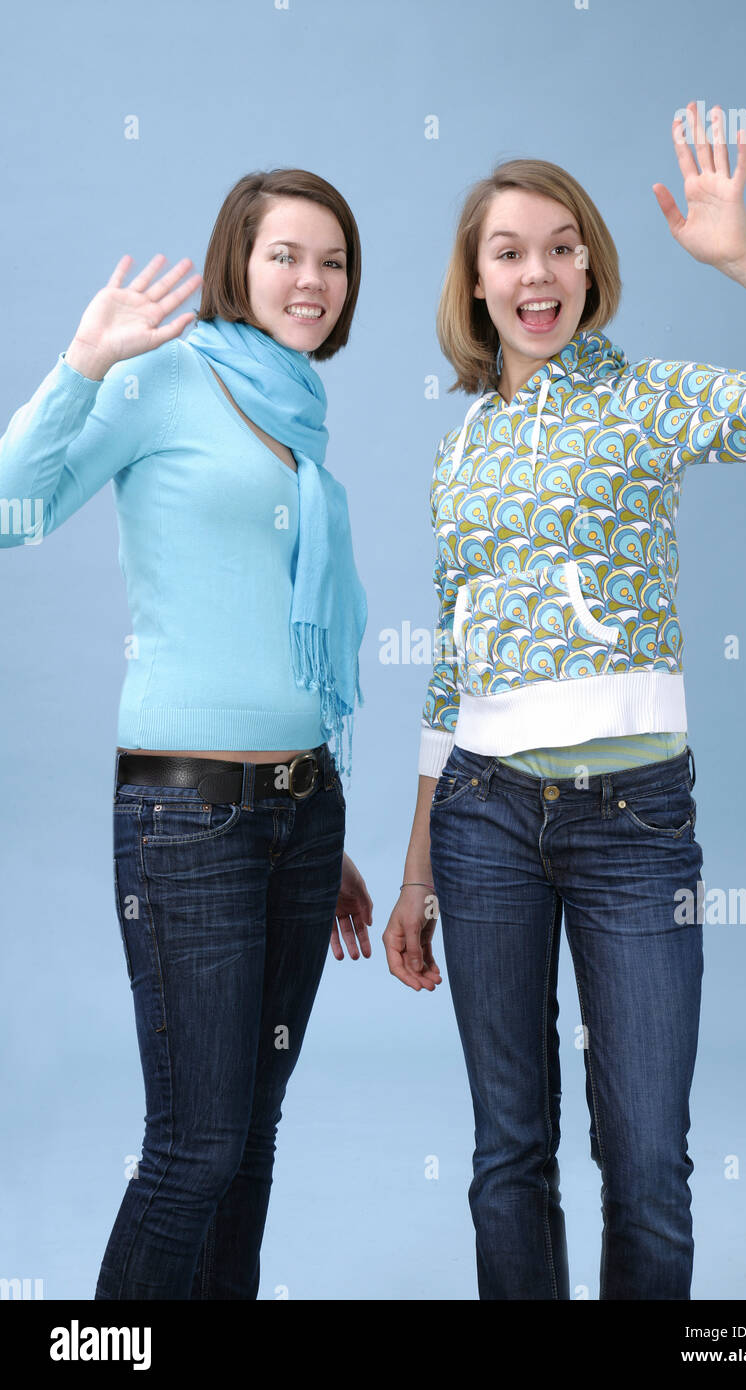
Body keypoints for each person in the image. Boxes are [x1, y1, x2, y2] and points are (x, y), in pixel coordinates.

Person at [383, 102, 746, 1299]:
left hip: (632, 822)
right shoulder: (460, 447)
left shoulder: (647, 398)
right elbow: (451, 664)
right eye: (508, 252)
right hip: (481, 820)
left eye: (560, 247)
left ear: (590, 265)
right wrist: (415, 868)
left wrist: (743, 260)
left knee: (646, 1160)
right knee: (507, 1154)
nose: (536, 273)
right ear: (475, 280)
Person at [0, 168, 373, 1299]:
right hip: (189, 815)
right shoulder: (163, 374)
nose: (310, 280)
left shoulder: (296, 404)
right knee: (195, 1147)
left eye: (332, 262)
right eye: (285, 255)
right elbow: (12, 513)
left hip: (300, 814)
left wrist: (314, 819)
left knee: (251, 1139)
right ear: (235, 262)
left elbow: (272, 627)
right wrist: (81, 361)